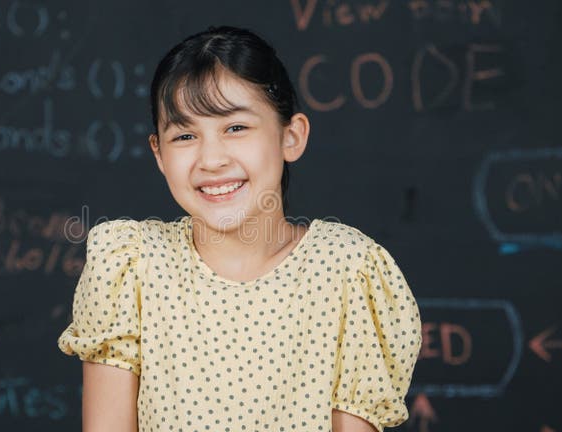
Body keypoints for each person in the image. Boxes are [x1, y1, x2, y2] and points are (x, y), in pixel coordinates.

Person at [58, 25, 422, 432]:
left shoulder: (347, 270)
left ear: (291, 136)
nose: (211, 159)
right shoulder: (132, 267)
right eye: (185, 135)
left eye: (235, 128)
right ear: (158, 154)